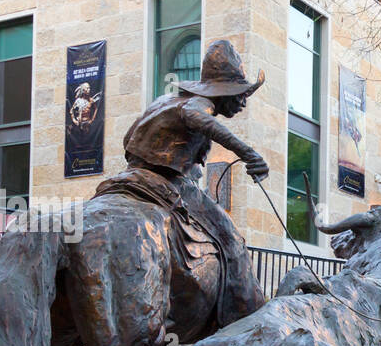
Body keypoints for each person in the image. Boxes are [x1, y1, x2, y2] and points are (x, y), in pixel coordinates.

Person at [96, 39, 267, 327]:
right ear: (222, 92)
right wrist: (248, 153)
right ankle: (243, 317)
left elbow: (129, 138)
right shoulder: (199, 105)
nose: (243, 101)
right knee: (231, 239)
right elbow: (196, 117)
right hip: (169, 182)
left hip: (132, 174)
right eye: (239, 93)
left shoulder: (165, 100)